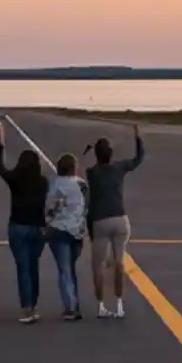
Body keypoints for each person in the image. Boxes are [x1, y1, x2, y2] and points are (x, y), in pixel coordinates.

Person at [0, 118, 49, 323]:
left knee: (23, 268)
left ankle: (27, 307)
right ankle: (32, 303)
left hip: (18, 227)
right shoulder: (43, 182)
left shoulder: (15, 179)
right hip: (37, 228)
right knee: (33, 267)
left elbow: (0, 167)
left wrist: (0, 143)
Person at [86, 122, 144, 319]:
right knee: (119, 262)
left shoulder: (92, 173)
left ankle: (101, 305)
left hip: (101, 220)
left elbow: (82, 169)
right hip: (120, 218)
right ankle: (119, 303)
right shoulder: (120, 167)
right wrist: (137, 137)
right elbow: (138, 159)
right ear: (111, 154)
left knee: (98, 265)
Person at [46, 152, 88, 322]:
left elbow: (51, 208)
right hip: (77, 231)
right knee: (71, 267)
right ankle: (74, 302)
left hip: (59, 230)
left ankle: (70, 306)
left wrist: (47, 222)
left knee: (64, 270)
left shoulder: (56, 186)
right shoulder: (82, 185)